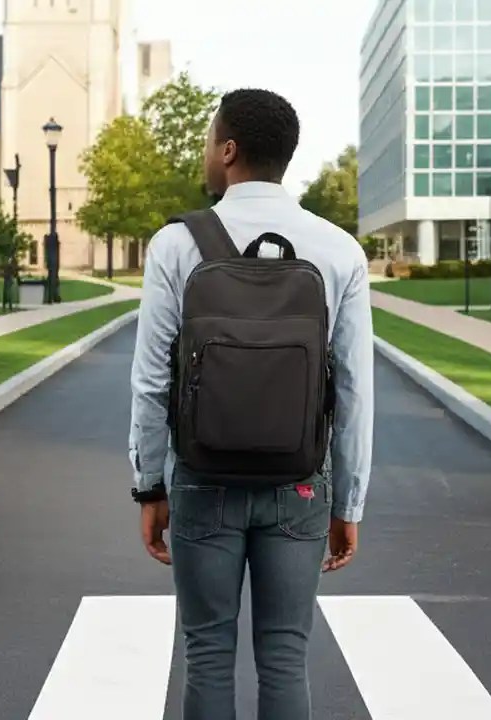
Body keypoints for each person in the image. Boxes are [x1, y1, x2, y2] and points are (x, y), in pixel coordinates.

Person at [127, 88, 375, 720]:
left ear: (229, 150)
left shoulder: (175, 245)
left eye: (211, 139)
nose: (208, 152)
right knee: (285, 655)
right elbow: (352, 390)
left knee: (208, 652)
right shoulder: (339, 249)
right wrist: (348, 502)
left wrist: (148, 486)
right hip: (296, 486)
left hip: (202, 482)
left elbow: (152, 380)